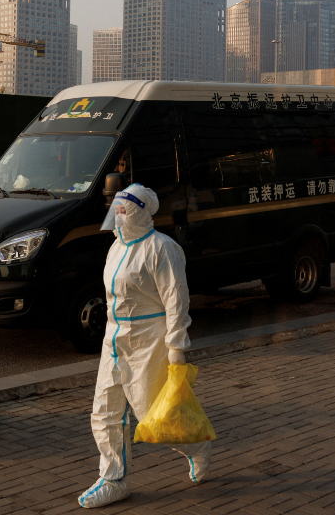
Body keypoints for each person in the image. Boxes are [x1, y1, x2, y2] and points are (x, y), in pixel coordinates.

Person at [79, 183, 210, 509]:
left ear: (138, 211)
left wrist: (176, 345)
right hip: (115, 339)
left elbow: (176, 299)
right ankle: (114, 478)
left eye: (123, 210)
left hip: (148, 341)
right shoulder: (116, 248)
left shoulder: (161, 249)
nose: (117, 216)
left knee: (155, 414)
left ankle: (198, 447)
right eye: (116, 210)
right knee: (104, 412)